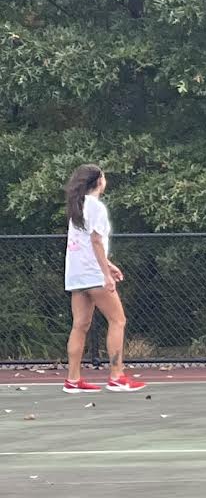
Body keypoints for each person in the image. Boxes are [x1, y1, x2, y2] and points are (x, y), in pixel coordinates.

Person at [62, 166, 143, 393]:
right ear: (99, 182)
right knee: (118, 320)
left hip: (77, 275)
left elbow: (85, 244)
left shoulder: (77, 207)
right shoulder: (96, 207)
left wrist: (108, 265)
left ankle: (73, 380)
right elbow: (96, 241)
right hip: (93, 275)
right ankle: (117, 376)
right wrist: (106, 275)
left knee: (80, 325)